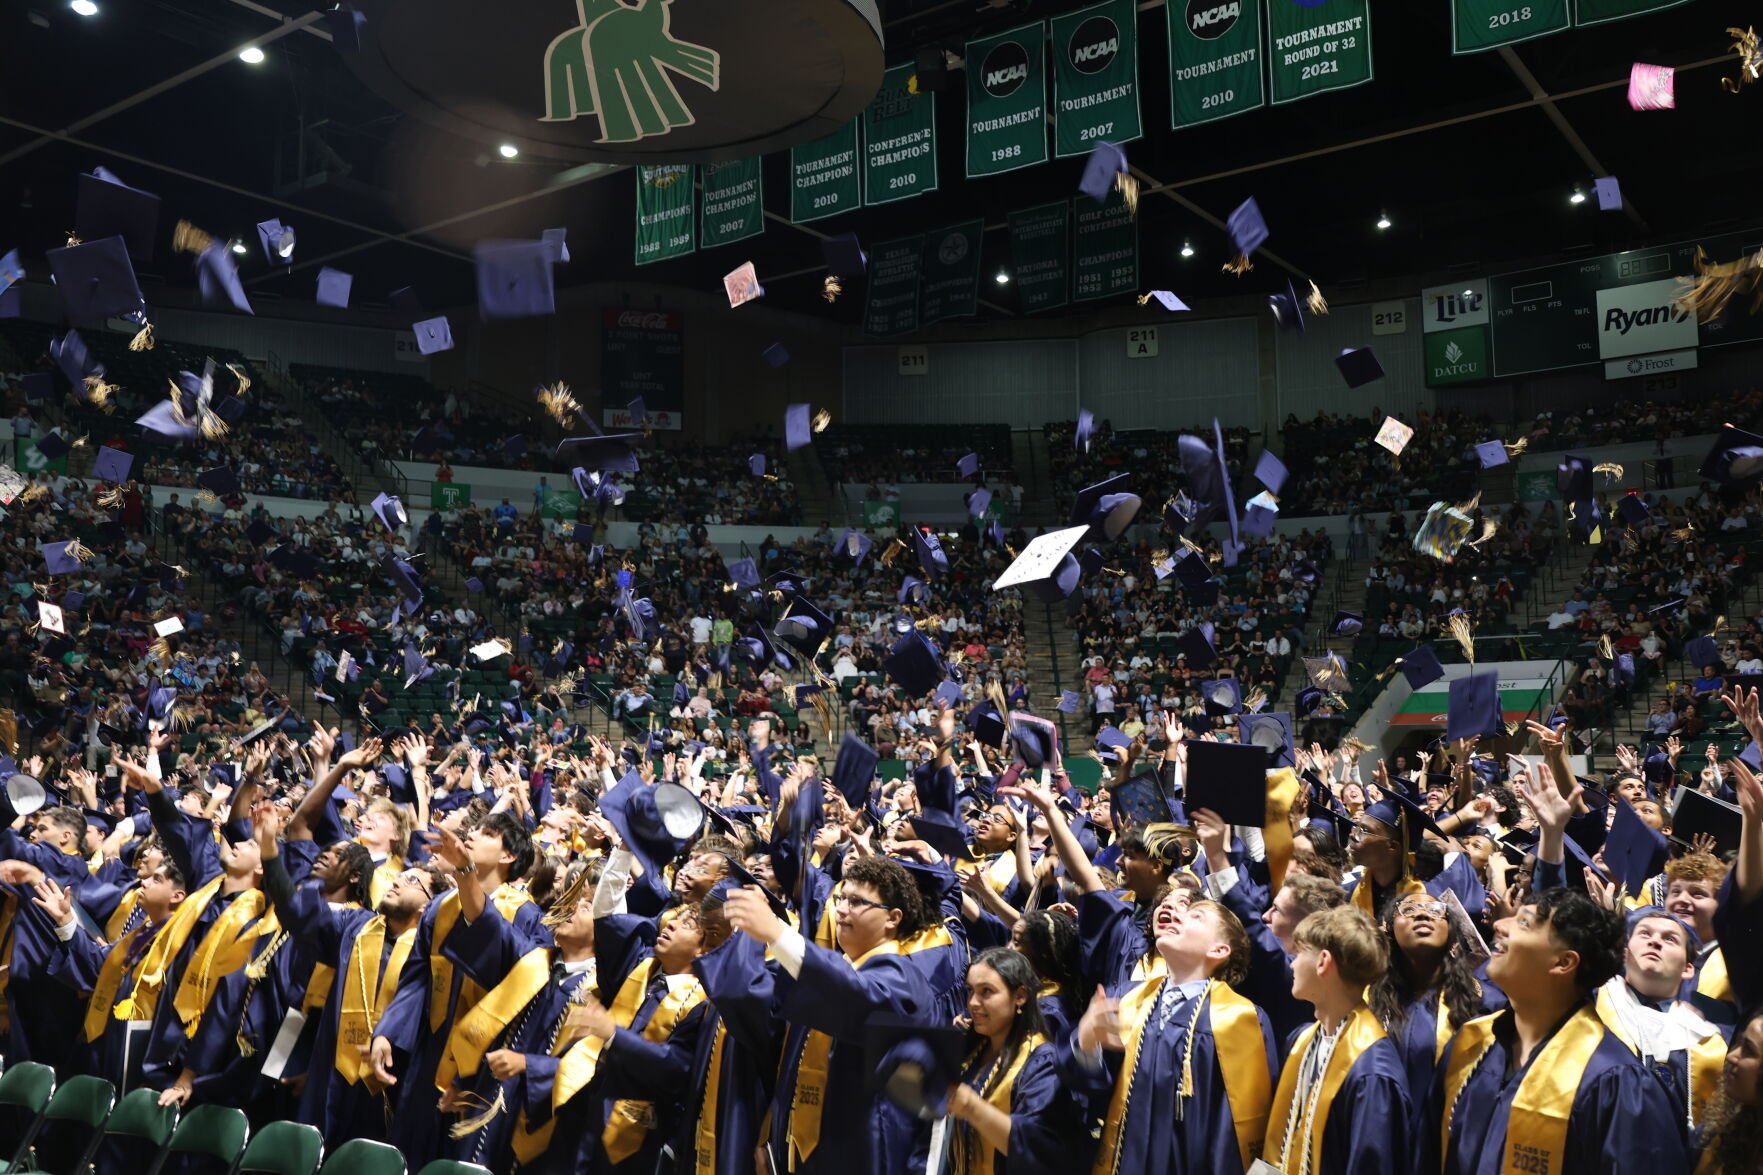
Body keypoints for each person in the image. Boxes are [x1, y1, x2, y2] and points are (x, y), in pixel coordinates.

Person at [1425, 888, 1690, 1174]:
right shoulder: (1471, 1043)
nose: (1500, 925)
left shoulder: (1615, 1082)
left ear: (1563, 962)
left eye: (1523, 923)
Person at [711, 853, 932, 1175]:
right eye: (841, 898)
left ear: (893, 918)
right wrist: (772, 1137)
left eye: (856, 902)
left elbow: (856, 998)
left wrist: (777, 932)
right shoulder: (837, 973)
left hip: (862, 1158)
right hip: (795, 1156)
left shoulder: (903, 978)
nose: (841, 909)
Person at [1058, 897, 1275, 1175]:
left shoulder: (1240, 1020)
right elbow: (1094, 1093)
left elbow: (1240, 1127)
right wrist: (1086, 1048)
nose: (1177, 915)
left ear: (1219, 950)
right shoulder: (1127, 999)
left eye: (1196, 916)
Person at [1264, 905, 1412, 1175]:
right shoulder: (1304, 1040)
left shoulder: (1372, 1073)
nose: (1292, 962)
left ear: (1323, 962)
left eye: (1299, 953)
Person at [943, 948, 1092, 1173]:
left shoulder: (1042, 1062)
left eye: (986, 992)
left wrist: (972, 1107)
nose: (973, 1002)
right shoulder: (974, 1049)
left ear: (1020, 996)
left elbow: (1037, 1146)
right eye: (970, 991)